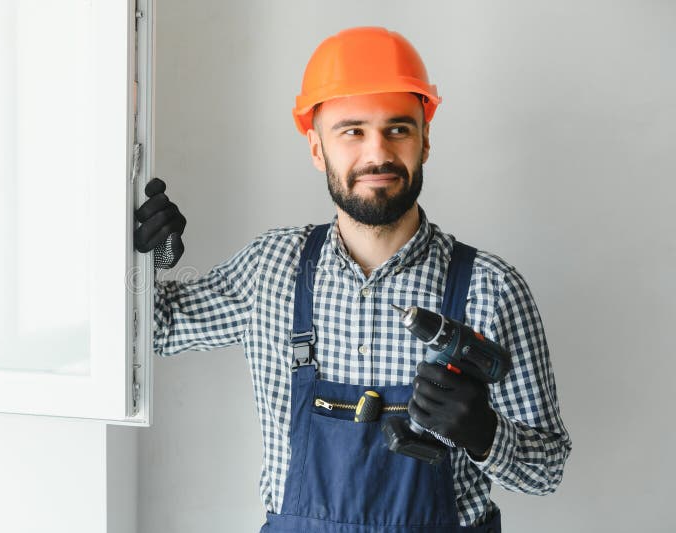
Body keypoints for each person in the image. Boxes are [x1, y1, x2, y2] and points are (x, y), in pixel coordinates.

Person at [134, 26, 571, 532]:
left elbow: (547, 470)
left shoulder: (491, 288)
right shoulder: (270, 268)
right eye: (352, 130)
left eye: (398, 128)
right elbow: (154, 330)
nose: (377, 153)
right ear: (317, 148)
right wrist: (148, 260)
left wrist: (485, 434)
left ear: (425, 140)